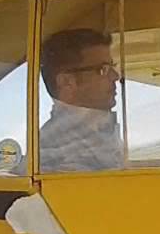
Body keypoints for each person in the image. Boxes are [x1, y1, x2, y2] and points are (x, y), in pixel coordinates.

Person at [39, 28, 125, 172]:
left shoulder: (97, 130)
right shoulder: (54, 151)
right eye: (103, 69)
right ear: (66, 82)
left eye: (112, 67)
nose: (116, 76)